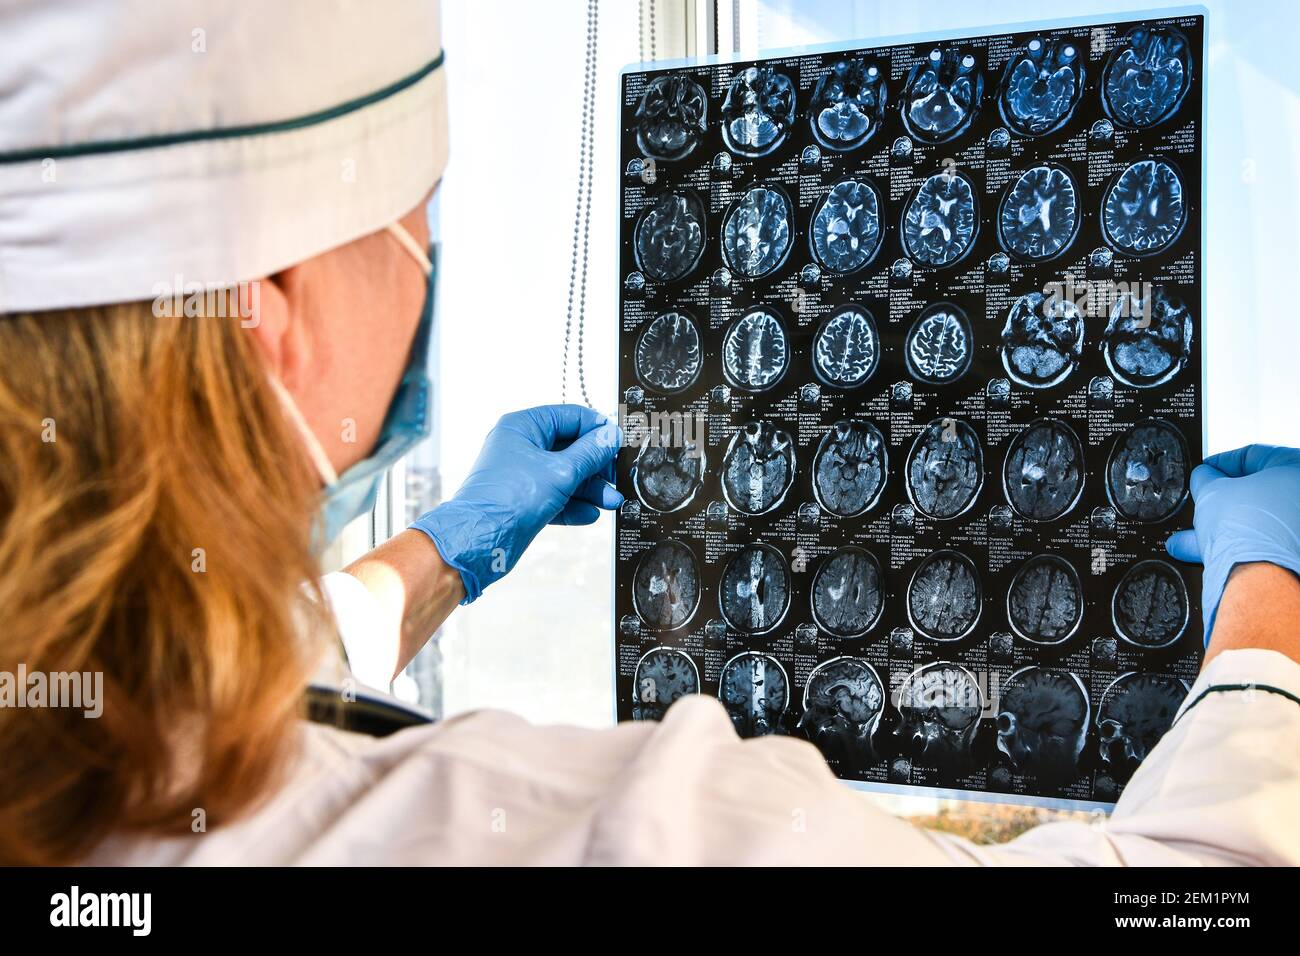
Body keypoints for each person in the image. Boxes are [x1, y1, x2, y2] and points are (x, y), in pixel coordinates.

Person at [1, 1, 1297, 867]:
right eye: (415, 214)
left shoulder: (69, 735)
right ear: (265, 309)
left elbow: (222, 687)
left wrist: (452, 547)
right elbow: (1194, 886)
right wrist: (1268, 597)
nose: (431, 254)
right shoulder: (612, 835)